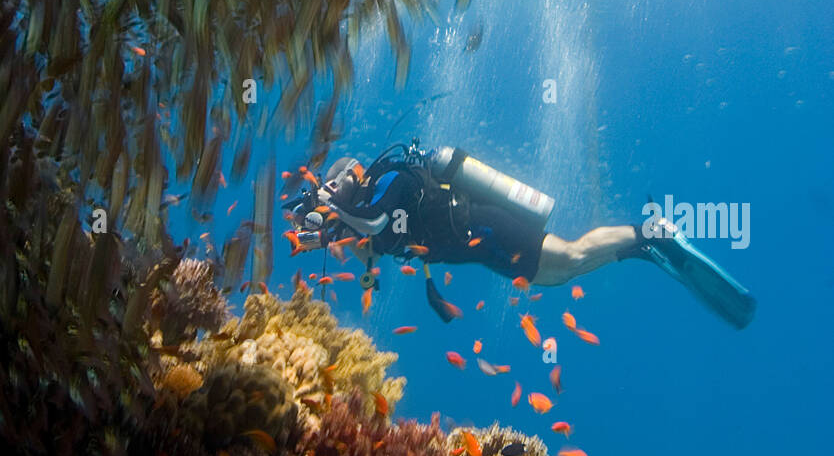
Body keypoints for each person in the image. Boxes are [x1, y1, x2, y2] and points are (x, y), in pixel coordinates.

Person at [283, 142, 756, 329]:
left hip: (486, 226)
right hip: (480, 247)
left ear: (353, 177)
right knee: (558, 274)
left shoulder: (392, 179)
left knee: (568, 257)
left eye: (333, 184)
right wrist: (323, 235)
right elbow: (372, 249)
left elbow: (375, 224)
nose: (329, 193)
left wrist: (331, 208)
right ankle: (640, 248)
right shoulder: (364, 207)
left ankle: (648, 233)